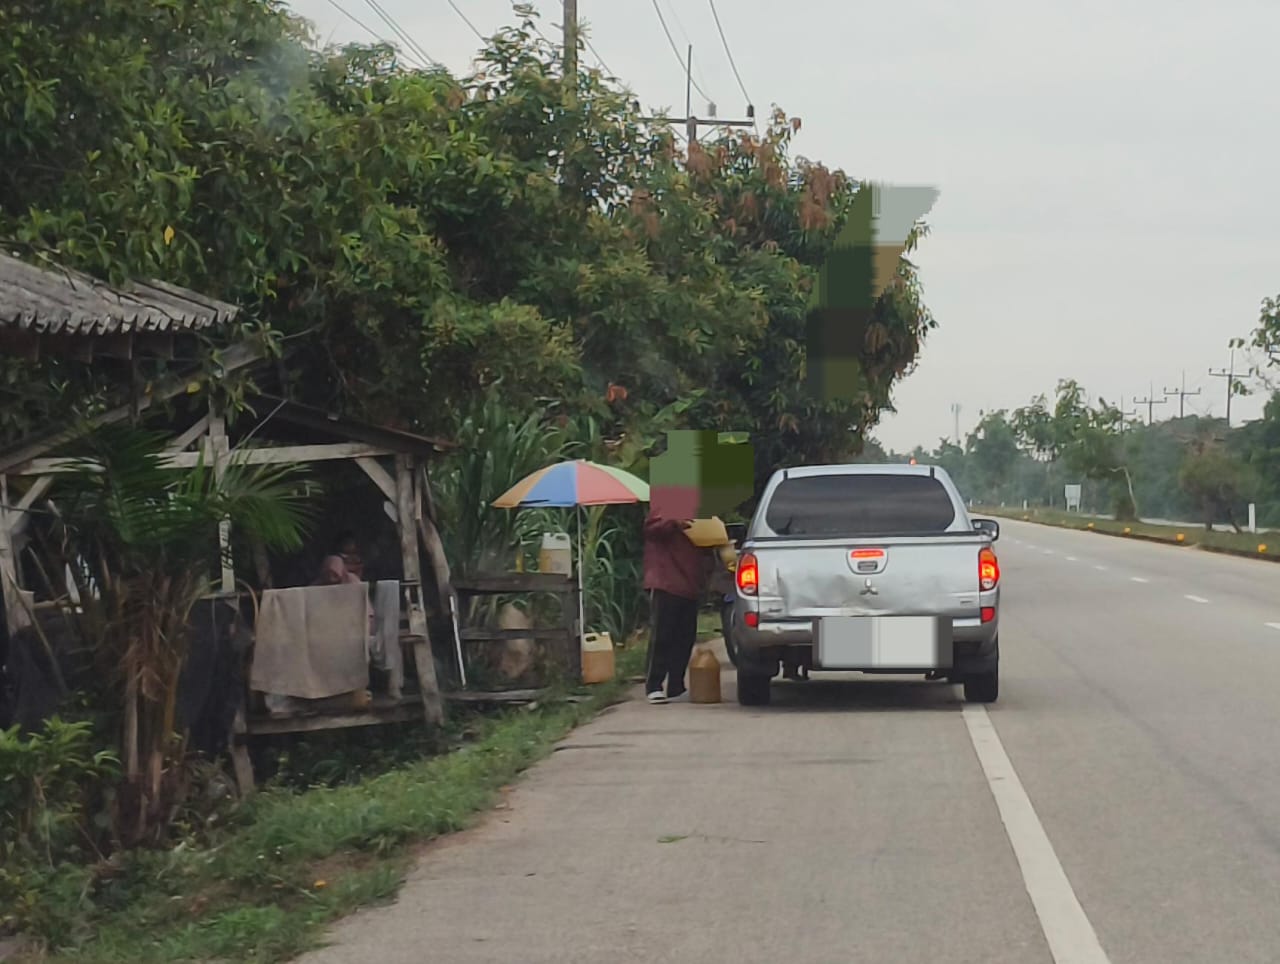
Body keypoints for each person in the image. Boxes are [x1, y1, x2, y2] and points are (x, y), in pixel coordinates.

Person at [642, 507, 713, 703]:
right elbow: (651, 530)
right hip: (666, 580)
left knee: (685, 637)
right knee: (662, 635)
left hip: (690, 583)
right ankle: (654, 685)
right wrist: (674, 521)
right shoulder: (666, 505)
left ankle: (676, 684)